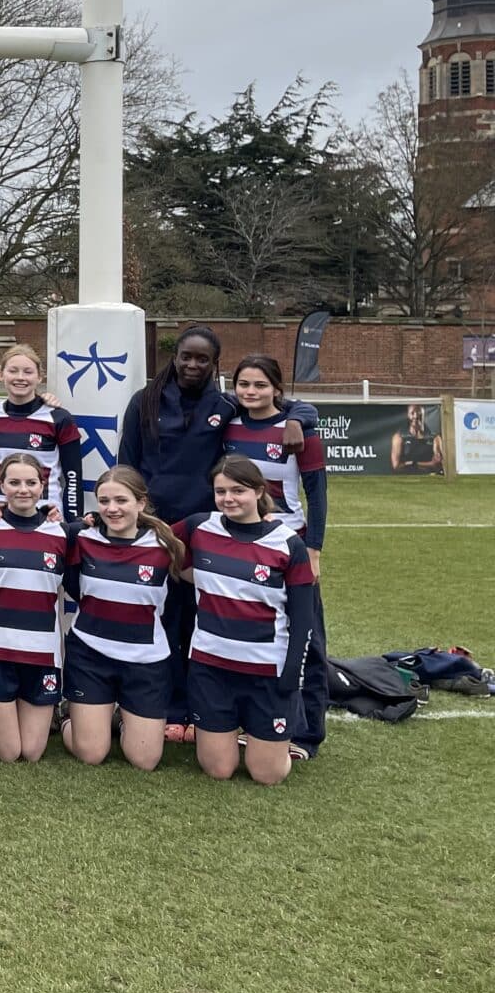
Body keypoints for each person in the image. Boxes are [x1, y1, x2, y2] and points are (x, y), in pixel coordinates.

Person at [116, 325, 312, 740]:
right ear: (175, 356)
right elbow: (127, 464)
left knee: (198, 617)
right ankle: (158, 706)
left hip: (206, 533)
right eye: (186, 356)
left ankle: (192, 709)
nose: (192, 364)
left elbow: (278, 403)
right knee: (155, 617)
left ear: (214, 364)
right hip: (153, 529)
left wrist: (299, 416)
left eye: (201, 358)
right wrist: (137, 520)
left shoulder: (224, 406)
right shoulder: (144, 402)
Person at [179, 456, 316, 786]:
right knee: (218, 770)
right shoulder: (199, 526)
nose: (228, 499)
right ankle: (240, 736)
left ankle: (268, 743)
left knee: (266, 775)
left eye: (238, 490)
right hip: (211, 668)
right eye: (220, 491)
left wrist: (291, 674)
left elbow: (303, 617)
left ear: (258, 491)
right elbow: (147, 537)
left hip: (266, 672)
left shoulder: (287, 543)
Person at [222, 353, 330, 760]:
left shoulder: (297, 430)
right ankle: (254, 723)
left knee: (306, 639)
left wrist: (314, 550)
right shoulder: (227, 425)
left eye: (260, 385)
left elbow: (317, 496)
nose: (251, 392)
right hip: (240, 545)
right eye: (243, 385)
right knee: (250, 633)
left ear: (277, 390)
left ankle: (306, 734)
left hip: (289, 545)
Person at [60, 465, 179, 772]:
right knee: (92, 754)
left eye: (121, 501)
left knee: (144, 760)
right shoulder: (81, 538)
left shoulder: (167, 546)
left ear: (140, 503)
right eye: (104, 501)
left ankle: (117, 718)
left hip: (146, 660)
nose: (112, 509)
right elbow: (73, 585)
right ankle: (69, 716)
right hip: (90, 654)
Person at [0, 453, 70, 763]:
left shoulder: (62, 532)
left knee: (31, 753)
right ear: (1, 485)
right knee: (8, 753)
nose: (23, 489)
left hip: (42, 651)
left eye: (31, 482)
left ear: (43, 486)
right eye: (14, 482)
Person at [0, 343, 81, 516]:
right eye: (13, 371)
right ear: (0, 374)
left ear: (39, 377)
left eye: (28, 372)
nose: (20, 377)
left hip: (45, 513)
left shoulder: (59, 418)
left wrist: (74, 521)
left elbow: (73, 478)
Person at [392, 403, 444, 474]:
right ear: (408, 415)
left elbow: (436, 464)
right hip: (407, 479)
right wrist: (423, 464)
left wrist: (411, 463)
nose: (416, 416)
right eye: (412, 413)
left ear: (423, 414)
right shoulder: (399, 437)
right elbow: (396, 466)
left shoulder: (435, 438)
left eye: (418, 412)